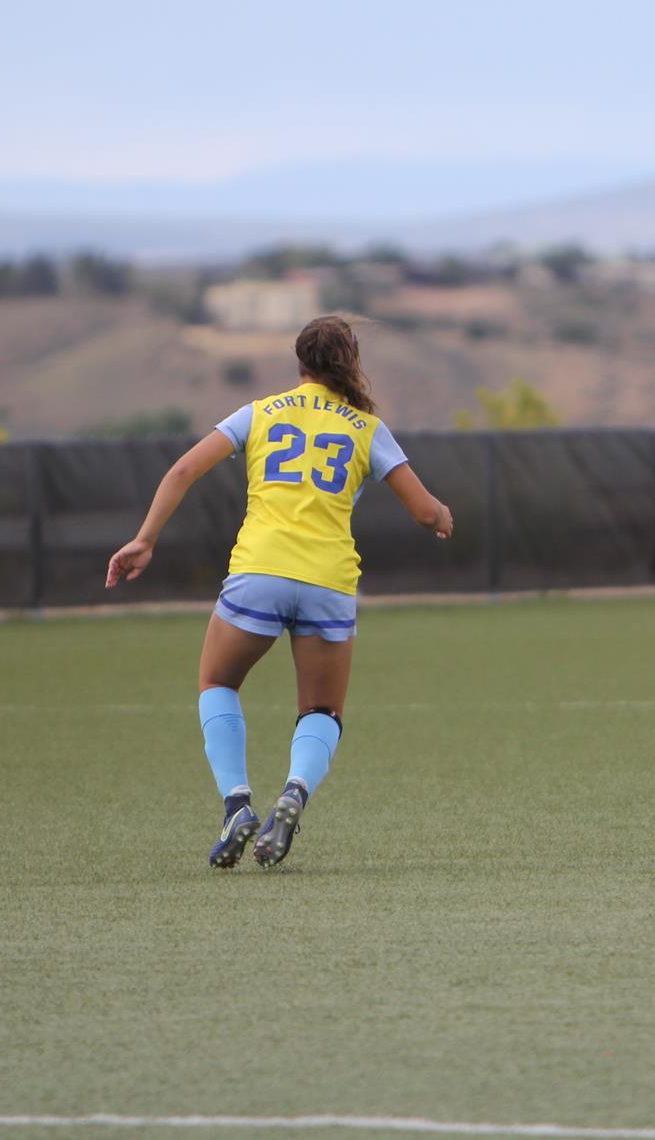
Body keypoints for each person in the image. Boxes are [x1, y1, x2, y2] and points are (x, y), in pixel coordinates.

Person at [106, 316, 452, 870]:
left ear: (300, 362)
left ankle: (237, 805)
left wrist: (145, 540)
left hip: (259, 573)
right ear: (351, 362)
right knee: (321, 710)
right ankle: (292, 794)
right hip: (328, 583)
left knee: (217, 683)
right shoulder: (367, 426)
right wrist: (442, 517)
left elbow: (183, 470)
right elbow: (423, 509)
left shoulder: (261, 412)